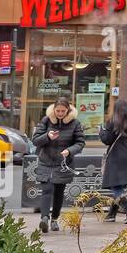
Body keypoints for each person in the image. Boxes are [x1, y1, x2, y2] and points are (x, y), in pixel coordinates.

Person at [32, 97, 85, 234]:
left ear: (68, 110)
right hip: (46, 160)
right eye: (58, 110)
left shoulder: (75, 123)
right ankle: (44, 218)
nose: (60, 113)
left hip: (63, 163)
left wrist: (69, 151)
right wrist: (47, 137)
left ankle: (54, 219)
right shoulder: (46, 120)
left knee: (59, 192)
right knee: (47, 188)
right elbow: (35, 140)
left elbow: (80, 143)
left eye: (63, 111)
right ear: (53, 110)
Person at [99, 100, 127, 223]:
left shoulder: (112, 122)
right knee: (119, 185)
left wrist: (101, 131)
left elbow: (107, 140)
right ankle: (112, 214)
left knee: (115, 185)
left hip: (116, 156)